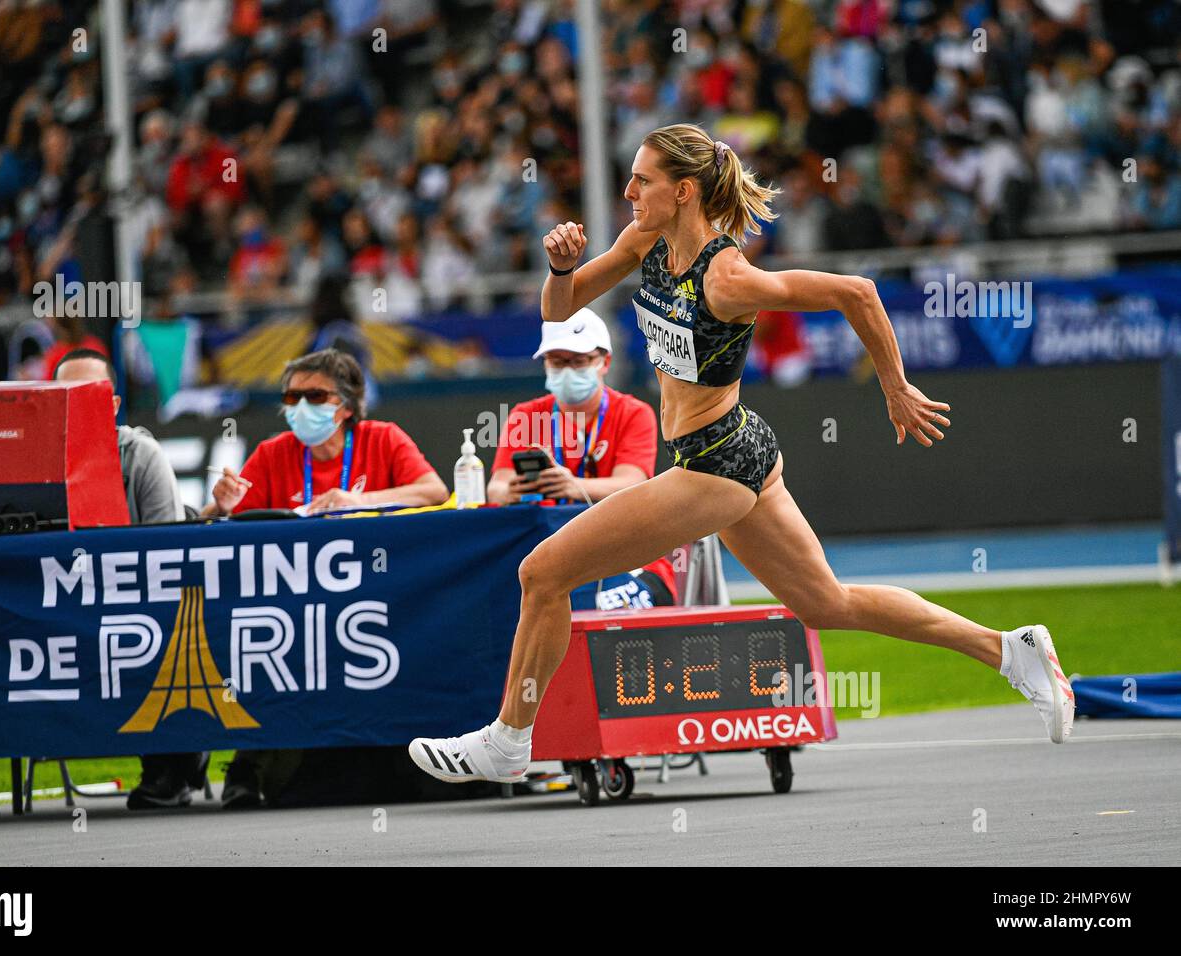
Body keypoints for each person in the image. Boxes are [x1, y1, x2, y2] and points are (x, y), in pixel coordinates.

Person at [408, 124, 1075, 785]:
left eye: (643, 179)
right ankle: (1009, 650)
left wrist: (895, 387)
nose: (629, 189)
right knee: (827, 604)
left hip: (715, 467)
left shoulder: (727, 277)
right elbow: (560, 310)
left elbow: (858, 293)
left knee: (542, 573)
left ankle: (509, 740)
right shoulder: (646, 240)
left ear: (684, 191)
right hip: (740, 449)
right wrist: (558, 266)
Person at [204, 348, 448, 807]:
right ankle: (251, 761)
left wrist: (361, 500)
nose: (299, 407)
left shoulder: (383, 439)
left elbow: (433, 491)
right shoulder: (275, 452)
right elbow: (214, 521)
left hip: (378, 595)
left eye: (314, 395)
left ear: (347, 405)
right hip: (295, 606)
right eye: (290, 396)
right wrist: (220, 503)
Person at [53, 349, 205, 809]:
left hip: (140, 602)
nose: (74, 404)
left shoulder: (141, 456)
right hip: (64, 601)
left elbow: (169, 549)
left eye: (87, 394)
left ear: (114, 405)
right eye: (64, 396)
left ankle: (174, 762)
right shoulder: (37, 458)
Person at [487, 307, 676, 608]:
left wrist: (572, 486)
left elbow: (633, 484)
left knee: (598, 605)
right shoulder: (526, 415)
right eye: (557, 362)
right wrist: (512, 490)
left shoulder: (632, 413)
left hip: (625, 553)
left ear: (604, 362)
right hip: (547, 551)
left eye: (578, 361)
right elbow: (495, 488)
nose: (567, 371)